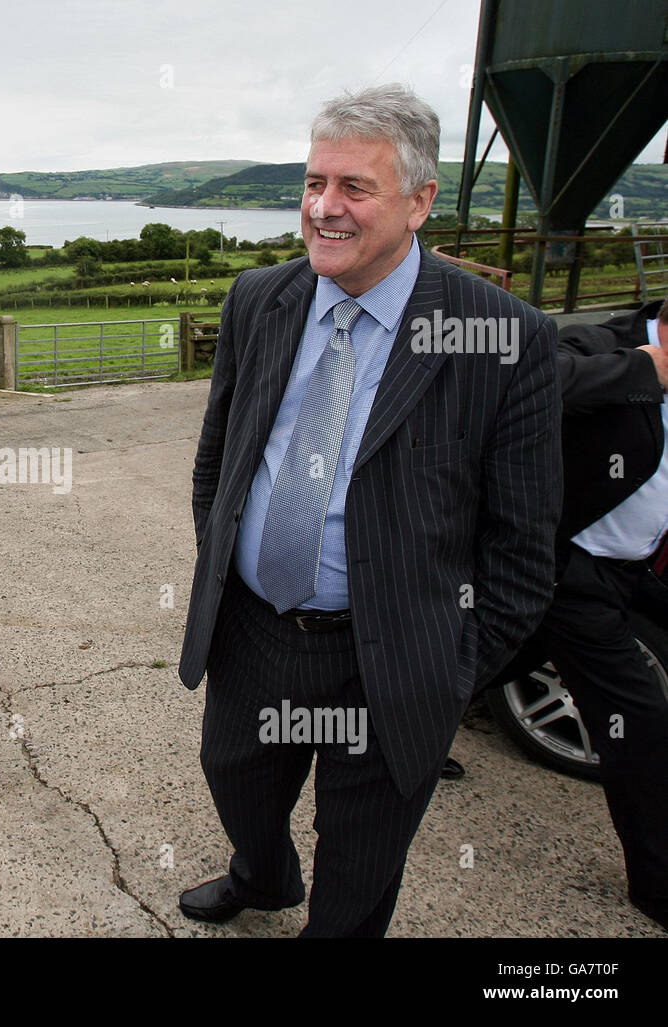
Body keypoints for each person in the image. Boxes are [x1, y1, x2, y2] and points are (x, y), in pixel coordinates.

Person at [176, 84, 562, 936]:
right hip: (255, 632)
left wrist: (448, 666)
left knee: (357, 870)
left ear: (421, 201)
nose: (323, 208)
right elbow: (220, 459)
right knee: (237, 783)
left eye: (354, 188)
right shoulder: (259, 298)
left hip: (390, 655)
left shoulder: (504, 339)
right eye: (315, 183)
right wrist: (224, 562)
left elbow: (524, 551)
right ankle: (264, 874)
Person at [539, 297, 668, 932]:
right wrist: (645, 371)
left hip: (637, 564)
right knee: (638, 718)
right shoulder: (599, 341)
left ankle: (426, 718)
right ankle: (659, 884)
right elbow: (531, 381)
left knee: (493, 656)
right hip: (570, 565)